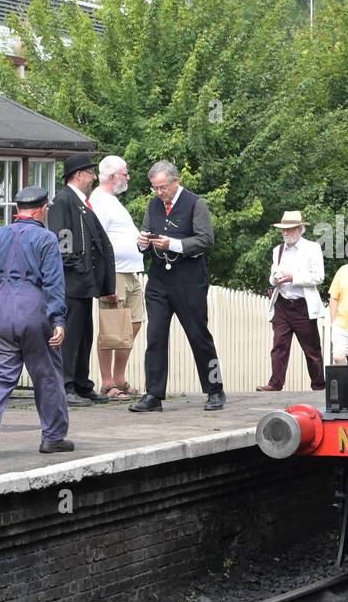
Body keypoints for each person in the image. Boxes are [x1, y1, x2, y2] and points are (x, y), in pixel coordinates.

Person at [0, 186, 71, 458]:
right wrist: (58, 319)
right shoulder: (46, 239)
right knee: (46, 374)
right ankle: (53, 437)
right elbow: (53, 282)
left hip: (2, 311)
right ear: (42, 209)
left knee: (0, 371)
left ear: (17, 211)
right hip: (35, 311)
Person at [129, 160, 226, 413]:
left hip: (189, 279)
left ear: (176, 181)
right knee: (155, 336)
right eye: (155, 188)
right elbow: (147, 233)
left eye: (163, 187)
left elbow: (205, 240)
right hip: (159, 278)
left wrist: (173, 244)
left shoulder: (196, 203)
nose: (160, 193)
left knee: (198, 335)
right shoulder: (153, 204)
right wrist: (142, 241)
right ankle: (153, 394)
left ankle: (215, 389)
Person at [48, 154, 116, 407]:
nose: (94, 177)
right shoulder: (64, 201)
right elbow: (62, 239)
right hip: (72, 282)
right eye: (90, 173)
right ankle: (65, 386)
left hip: (83, 283)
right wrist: (77, 266)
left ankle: (81, 383)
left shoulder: (79, 202)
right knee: (71, 334)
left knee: (84, 334)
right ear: (78, 175)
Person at [89, 155, 146, 401]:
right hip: (115, 273)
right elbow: (97, 241)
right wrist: (105, 281)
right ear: (113, 177)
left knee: (134, 323)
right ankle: (108, 382)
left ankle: (120, 378)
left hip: (131, 270)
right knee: (112, 327)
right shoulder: (100, 201)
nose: (128, 177)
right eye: (125, 173)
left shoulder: (113, 201)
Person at [257, 211, 326, 392]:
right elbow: (272, 275)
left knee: (311, 350)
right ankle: (275, 383)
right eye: (283, 230)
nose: (286, 233)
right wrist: (276, 279)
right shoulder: (277, 250)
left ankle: (319, 385)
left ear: (300, 229)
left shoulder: (312, 248)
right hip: (281, 303)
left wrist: (293, 277)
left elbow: (318, 277)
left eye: (289, 230)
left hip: (302, 305)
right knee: (279, 345)